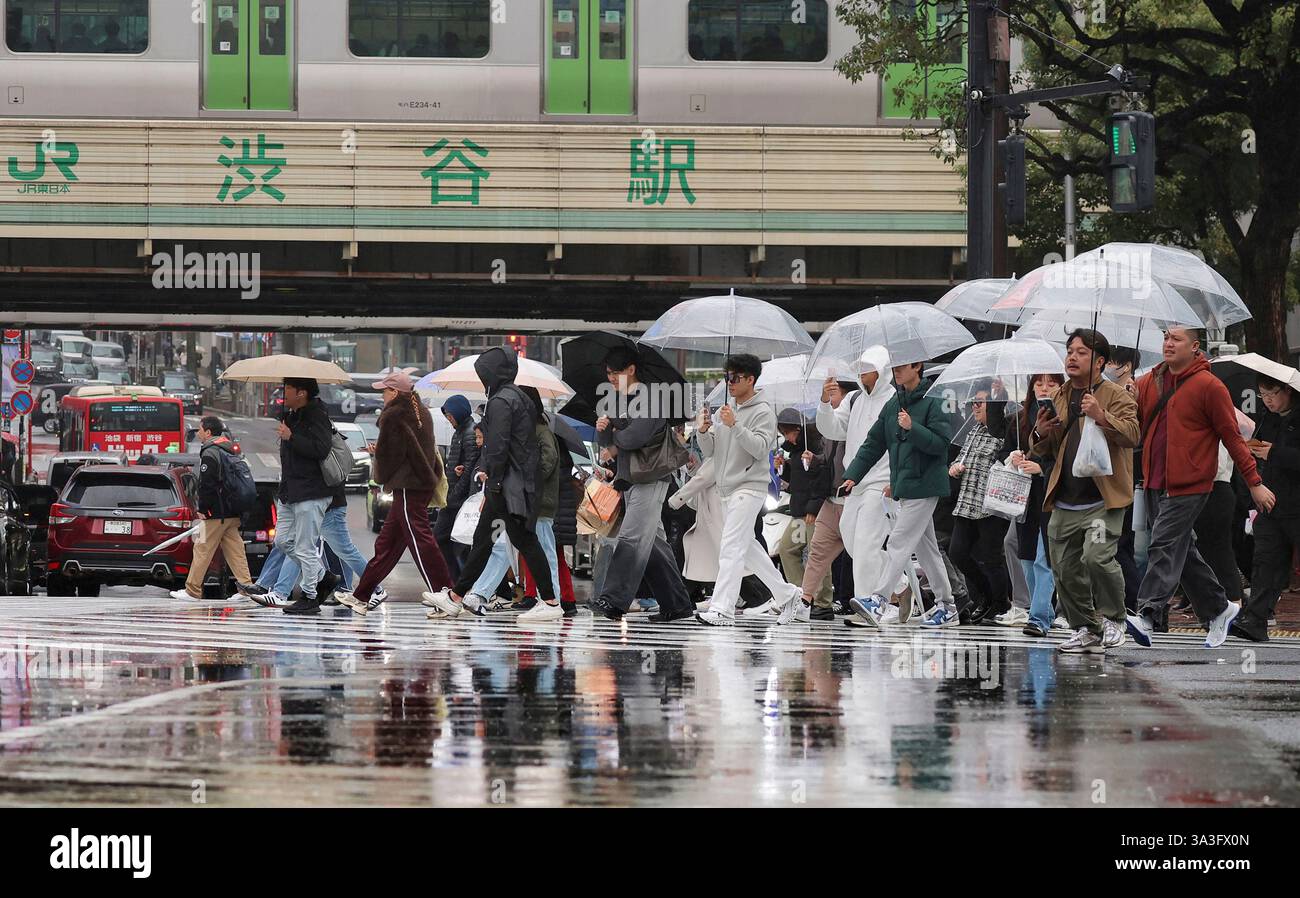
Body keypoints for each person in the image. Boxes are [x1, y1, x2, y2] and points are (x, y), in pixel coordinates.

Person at [1127, 327, 1274, 649]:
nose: (1168, 343)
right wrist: (1115, 402)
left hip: (1191, 483)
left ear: (1195, 347)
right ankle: (1219, 609)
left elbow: (1233, 438)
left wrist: (1255, 483)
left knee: (1163, 544)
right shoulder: (1148, 383)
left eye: (1176, 339)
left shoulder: (1209, 386)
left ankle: (1148, 614)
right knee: (1185, 552)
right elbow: (1131, 426)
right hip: (1154, 481)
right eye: (1165, 336)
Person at [424, 347, 561, 622]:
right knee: (484, 539)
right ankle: (456, 597)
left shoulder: (500, 401)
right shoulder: (520, 397)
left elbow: (498, 444)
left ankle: (550, 601)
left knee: (521, 539)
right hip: (516, 480)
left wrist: (492, 476)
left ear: (489, 373)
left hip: (508, 483)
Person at [1030, 330, 1138, 653]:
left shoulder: (1116, 395)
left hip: (1102, 499)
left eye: (1081, 352)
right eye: (1069, 351)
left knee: (1096, 557)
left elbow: (1133, 434)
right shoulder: (1061, 395)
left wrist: (1100, 416)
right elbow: (1047, 448)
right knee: (1063, 569)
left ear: (1100, 361)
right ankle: (1086, 628)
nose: (1072, 357)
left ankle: (1115, 618)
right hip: (1065, 497)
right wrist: (1041, 430)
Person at [839, 359, 957, 628]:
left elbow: (941, 444)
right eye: (895, 368)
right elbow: (873, 443)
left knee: (898, 542)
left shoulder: (933, 401)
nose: (897, 372)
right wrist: (852, 475)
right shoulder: (894, 404)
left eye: (903, 367)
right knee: (927, 551)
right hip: (906, 486)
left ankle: (879, 600)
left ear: (918, 367)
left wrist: (912, 427)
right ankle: (947, 605)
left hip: (926, 486)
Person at [695, 354, 804, 626]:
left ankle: (722, 609)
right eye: (727, 377)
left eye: (735, 378)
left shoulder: (763, 412)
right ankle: (788, 594)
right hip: (726, 489)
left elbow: (759, 448)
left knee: (730, 548)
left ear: (751, 380)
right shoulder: (726, 411)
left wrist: (735, 425)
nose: (730, 383)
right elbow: (712, 453)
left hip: (749, 487)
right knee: (748, 549)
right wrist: (703, 432)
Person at [587, 347, 694, 623]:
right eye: (608, 373)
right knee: (654, 545)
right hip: (630, 478)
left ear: (631, 370)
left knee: (631, 540)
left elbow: (635, 437)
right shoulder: (616, 400)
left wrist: (612, 430)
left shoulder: (651, 398)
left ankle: (613, 600)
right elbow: (608, 445)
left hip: (650, 476)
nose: (611, 378)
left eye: (616, 372)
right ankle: (678, 604)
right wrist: (603, 430)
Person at [336, 371, 451, 615]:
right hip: (419, 482)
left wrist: (378, 458)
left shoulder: (394, 415)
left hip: (409, 485)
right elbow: (413, 447)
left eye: (385, 391)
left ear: (395, 392)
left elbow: (392, 457)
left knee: (421, 540)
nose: (382, 396)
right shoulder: (420, 412)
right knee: (387, 545)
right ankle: (362, 596)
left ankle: (445, 593)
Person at [807, 346, 899, 620]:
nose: (862, 373)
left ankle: (867, 605)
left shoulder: (894, 400)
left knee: (866, 543)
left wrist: (895, 480)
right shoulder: (855, 399)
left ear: (881, 371)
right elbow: (832, 428)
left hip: (881, 481)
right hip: (855, 482)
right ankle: (899, 585)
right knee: (852, 540)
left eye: (868, 368)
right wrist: (824, 403)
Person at [1233, 374, 1300, 641]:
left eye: (1272, 393)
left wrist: (1274, 453)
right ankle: (1256, 620)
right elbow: (1258, 444)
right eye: (1263, 394)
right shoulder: (1267, 417)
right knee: (1265, 562)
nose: (1268, 400)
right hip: (1271, 500)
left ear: (1287, 390)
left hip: (1296, 501)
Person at [171, 416, 262, 601]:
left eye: (200, 429)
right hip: (232, 511)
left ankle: (192, 591)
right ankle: (245, 589)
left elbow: (207, 485)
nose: (198, 433)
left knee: (202, 548)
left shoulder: (210, 452)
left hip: (216, 513)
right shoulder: (228, 450)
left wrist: (203, 508)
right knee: (235, 550)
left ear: (209, 432)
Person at [1004, 373, 1064, 636]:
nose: (1044, 388)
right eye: (1039, 383)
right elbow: (1005, 449)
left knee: (1044, 558)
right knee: (1026, 557)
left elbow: (1067, 457)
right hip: (1025, 497)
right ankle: (1045, 612)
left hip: (1052, 494)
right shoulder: (1020, 419)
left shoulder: (1066, 417)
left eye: (1052, 383)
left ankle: (1038, 616)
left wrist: (1042, 468)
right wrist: (1015, 457)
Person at [271, 378, 336, 615]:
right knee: (282, 541)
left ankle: (310, 595)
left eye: (287, 388)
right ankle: (322, 577)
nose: (283, 392)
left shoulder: (317, 414)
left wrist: (291, 437)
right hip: (291, 491)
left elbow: (321, 449)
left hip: (311, 491)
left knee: (305, 546)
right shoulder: (292, 415)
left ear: (301, 392)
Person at [948, 382, 1011, 623]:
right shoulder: (973, 430)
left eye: (980, 402)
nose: (974, 407)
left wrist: (999, 396)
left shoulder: (1001, 429)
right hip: (967, 501)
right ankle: (987, 594)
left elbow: (998, 425)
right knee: (958, 552)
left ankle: (999, 602)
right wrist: (954, 468)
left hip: (990, 503)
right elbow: (960, 457)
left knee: (992, 556)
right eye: (973, 402)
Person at [773, 408, 833, 609]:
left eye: (787, 432)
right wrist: (783, 469)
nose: (786, 437)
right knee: (787, 548)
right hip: (799, 511)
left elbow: (822, 478)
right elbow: (798, 480)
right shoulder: (796, 450)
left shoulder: (816, 446)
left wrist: (813, 508)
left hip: (812, 511)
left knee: (818, 554)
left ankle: (822, 602)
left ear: (797, 429)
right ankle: (801, 595)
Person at [435, 395, 480, 579]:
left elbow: (469, 468)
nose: (449, 419)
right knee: (455, 542)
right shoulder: (461, 431)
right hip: (455, 496)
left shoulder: (469, 433)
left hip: (459, 499)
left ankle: (458, 581)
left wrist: (453, 496)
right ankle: (458, 581)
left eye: (450, 415)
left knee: (450, 540)